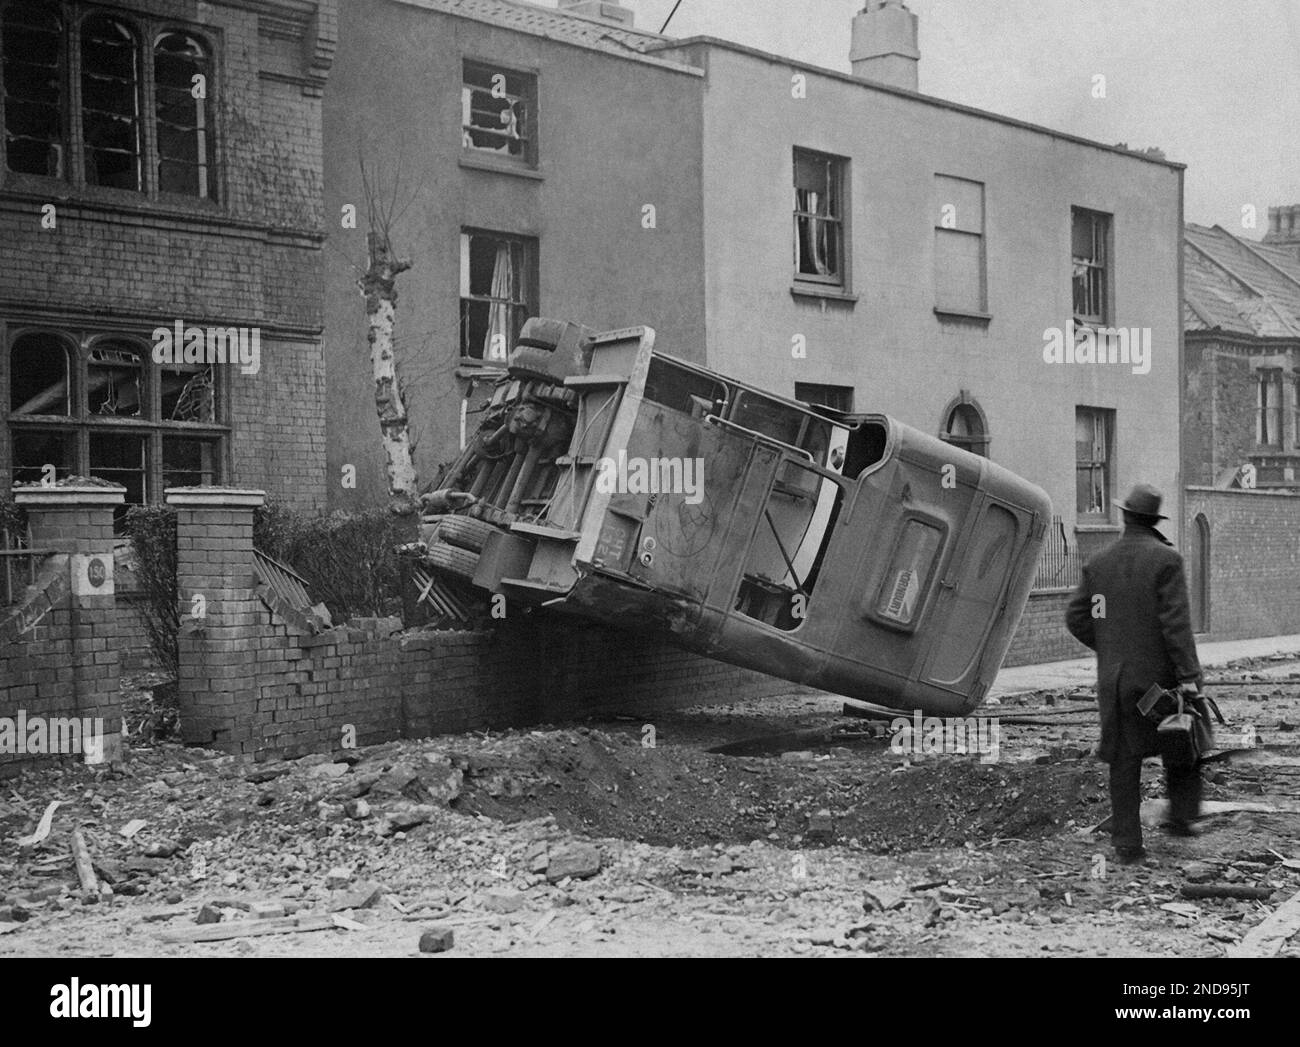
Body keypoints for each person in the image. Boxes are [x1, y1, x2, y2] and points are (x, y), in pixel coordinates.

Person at [1065, 483, 1203, 863]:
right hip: (1158, 684)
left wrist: (1110, 646)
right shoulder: (1166, 561)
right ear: (1154, 520)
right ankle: (1181, 818)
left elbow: (1080, 617)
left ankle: (1127, 844)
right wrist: (1189, 675)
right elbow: (1175, 625)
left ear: (1125, 517)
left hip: (1116, 682)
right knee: (1181, 737)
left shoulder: (1099, 564)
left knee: (1123, 760)